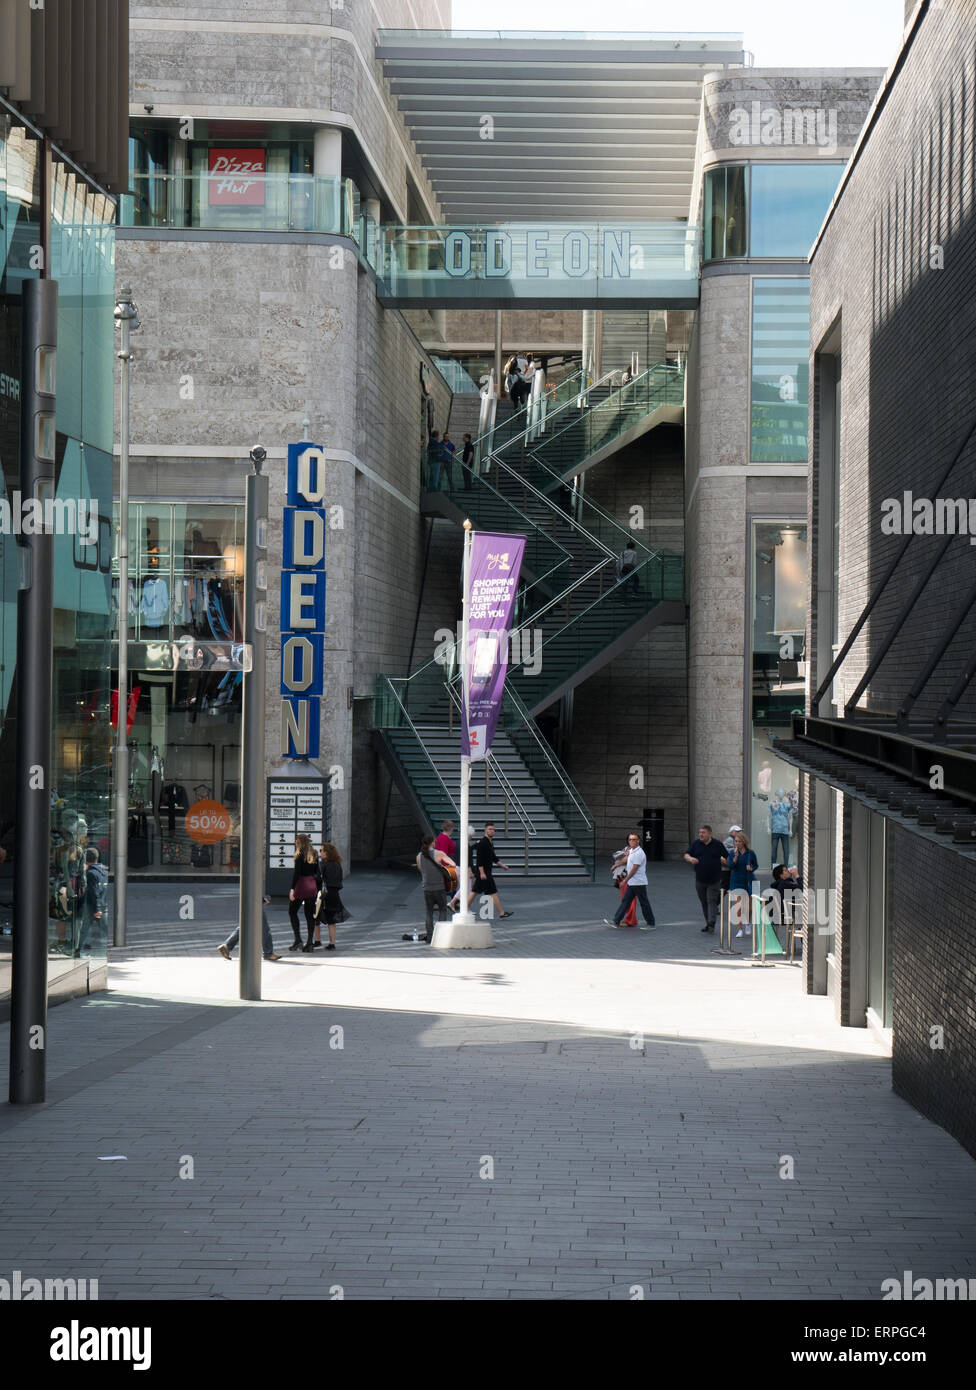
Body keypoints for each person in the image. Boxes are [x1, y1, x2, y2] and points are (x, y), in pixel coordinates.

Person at [412, 833, 456, 943]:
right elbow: (453, 864)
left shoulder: (419, 856)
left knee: (429, 912)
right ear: (433, 843)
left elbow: (421, 870)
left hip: (427, 888)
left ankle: (430, 936)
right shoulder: (439, 853)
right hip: (439, 887)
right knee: (442, 910)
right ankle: (440, 935)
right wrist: (443, 868)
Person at [683, 824, 727, 934]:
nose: (701, 835)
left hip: (714, 879)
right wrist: (690, 859)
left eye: (703, 833)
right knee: (704, 902)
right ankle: (708, 923)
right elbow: (686, 854)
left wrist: (728, 863)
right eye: (700, 833)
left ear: (710, 833)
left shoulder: (717, 844)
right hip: (700, 879)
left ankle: (711, 922)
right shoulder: (696, 844)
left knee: (711, 900)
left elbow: (727, 856)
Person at [605, 832, 655, 928]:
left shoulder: (639, 853)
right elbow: (626, 859)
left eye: (634, 839)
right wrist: (616, 865)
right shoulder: (632, 851)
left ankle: (651, 923)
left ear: (638, 841)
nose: (631, 841)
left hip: (638, 883)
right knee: (626, 902)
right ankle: (616, 921)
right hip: (633, 882)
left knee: (644, 903)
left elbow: (634, 870)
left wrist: (624, 881)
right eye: (630, 839)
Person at [218, 896, 281, 961]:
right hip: (254, 902)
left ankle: (226, 946)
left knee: (246, 925)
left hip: (251, 901)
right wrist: (261, 899)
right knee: (264, 929)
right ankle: (268, 953)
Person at [288, 834, 321, 952]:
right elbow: (318, 872)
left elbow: (296, 874)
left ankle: (298, 940)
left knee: (292, 911)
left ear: (299, 842)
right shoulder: (314, 853)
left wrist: (292, 889)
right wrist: (318, 889)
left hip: (301, 885)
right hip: (312, 885)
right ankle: (309, 943)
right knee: (309, 915)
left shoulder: (299, 855)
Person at [474, 823, 513, 917]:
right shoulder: (483, 842)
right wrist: (482, 873)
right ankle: (501, 912)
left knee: (474, 891)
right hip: (485, 872)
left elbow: (493, 857)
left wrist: (502, 866)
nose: (492, 831)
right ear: (485, 830)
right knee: (493, 892)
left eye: (493, 829)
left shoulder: (490, 842)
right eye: (490, 829)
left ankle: (456, 904)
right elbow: (479, 859)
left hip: (486, 871)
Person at [76, 848, 108, 957]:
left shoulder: (90, 873)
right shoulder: (103, 870)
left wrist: (96, 909)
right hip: (103, 904)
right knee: (104, 928)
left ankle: (79, 950)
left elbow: (94, 892)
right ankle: (102, 949)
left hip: (92, 905)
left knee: (84, 928)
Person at [728, 830, 758, 938]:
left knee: (750, 906)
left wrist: (752, 868)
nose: (737, 843)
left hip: (749, 880)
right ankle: (740, 929)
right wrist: (735, 857)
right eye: (736, 841)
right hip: (737, 881)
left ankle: (747, 923)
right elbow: (730, 866)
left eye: (739, 841)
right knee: (739, 906)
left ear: (744, 842)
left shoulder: (751, 853)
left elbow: (756, 865)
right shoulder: (732, 853)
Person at [316, 842, 345, 951]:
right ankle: (332, 943)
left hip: (323, 895)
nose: (320, 852)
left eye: (321, 850)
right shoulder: (338, 864)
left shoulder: (323, 864)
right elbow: (340, 880)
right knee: (331, 921)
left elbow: (318, 879)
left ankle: (317, 940)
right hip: (334, 894)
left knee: (315, 917)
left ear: (327, 853)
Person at [611, 845, 637, 927]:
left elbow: (626, 859)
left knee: (628, 899)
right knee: (627, 898)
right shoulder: (628, 849)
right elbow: (616, 855)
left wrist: (615, 865)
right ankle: (630, 919)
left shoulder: (634, 851)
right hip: (623, 877)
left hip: (627, 877)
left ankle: (630, 920)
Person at [768, 793, 793, 866]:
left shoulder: (787, 805)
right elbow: (768, 816)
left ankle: (786, 867)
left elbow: (791, 817)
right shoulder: (772, 804)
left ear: (784, 794)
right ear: (777, 794)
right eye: (779, 792)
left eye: (782, 792)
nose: (781, 794)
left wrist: (790, 829)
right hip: (775, 830)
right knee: (774, 850)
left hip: (785, 830)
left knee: (786, 850)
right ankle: (773, 867)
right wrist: (768, 827)